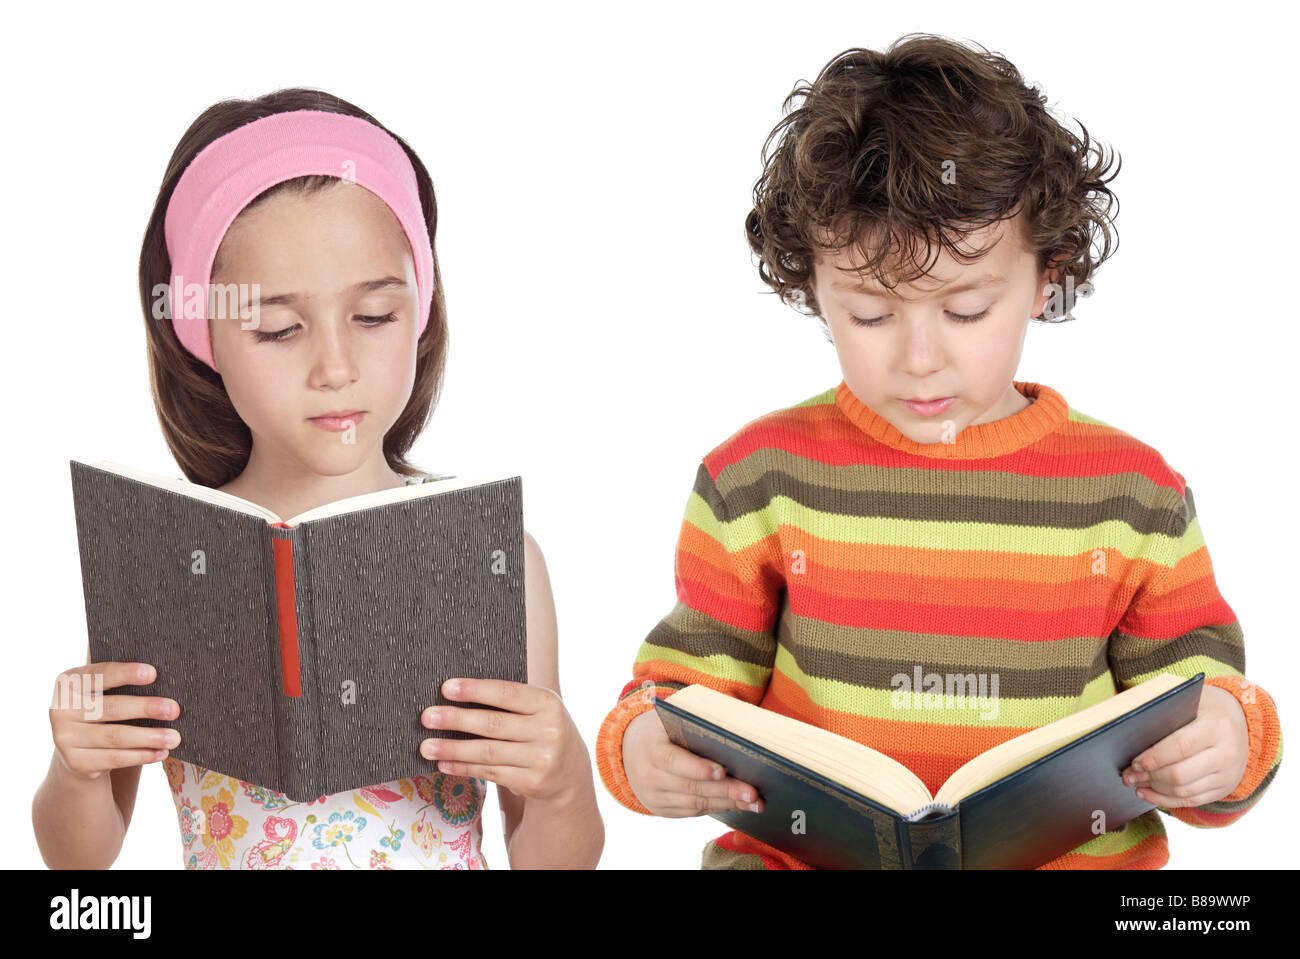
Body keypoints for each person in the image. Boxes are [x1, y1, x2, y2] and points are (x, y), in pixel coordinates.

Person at [595, 34, 1282, 869]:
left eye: (965, 311)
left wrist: (1225, 744)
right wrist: (644, 749)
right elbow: (679, 696)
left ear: (1048, 276)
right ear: (812, 284)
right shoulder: (756, 478)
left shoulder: (1133, 493)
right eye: (870, 315)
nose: (919, 359)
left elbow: (1205, 710)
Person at [34, 90, 602, 870]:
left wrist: (564, 782)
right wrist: (77, 766)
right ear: (202, 336)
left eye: (373, 317)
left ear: (421, 310)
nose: (335, 367)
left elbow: (554, 859)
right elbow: (78, 861)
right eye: (278, 329)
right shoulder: (165, 560)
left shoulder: (493, 560)